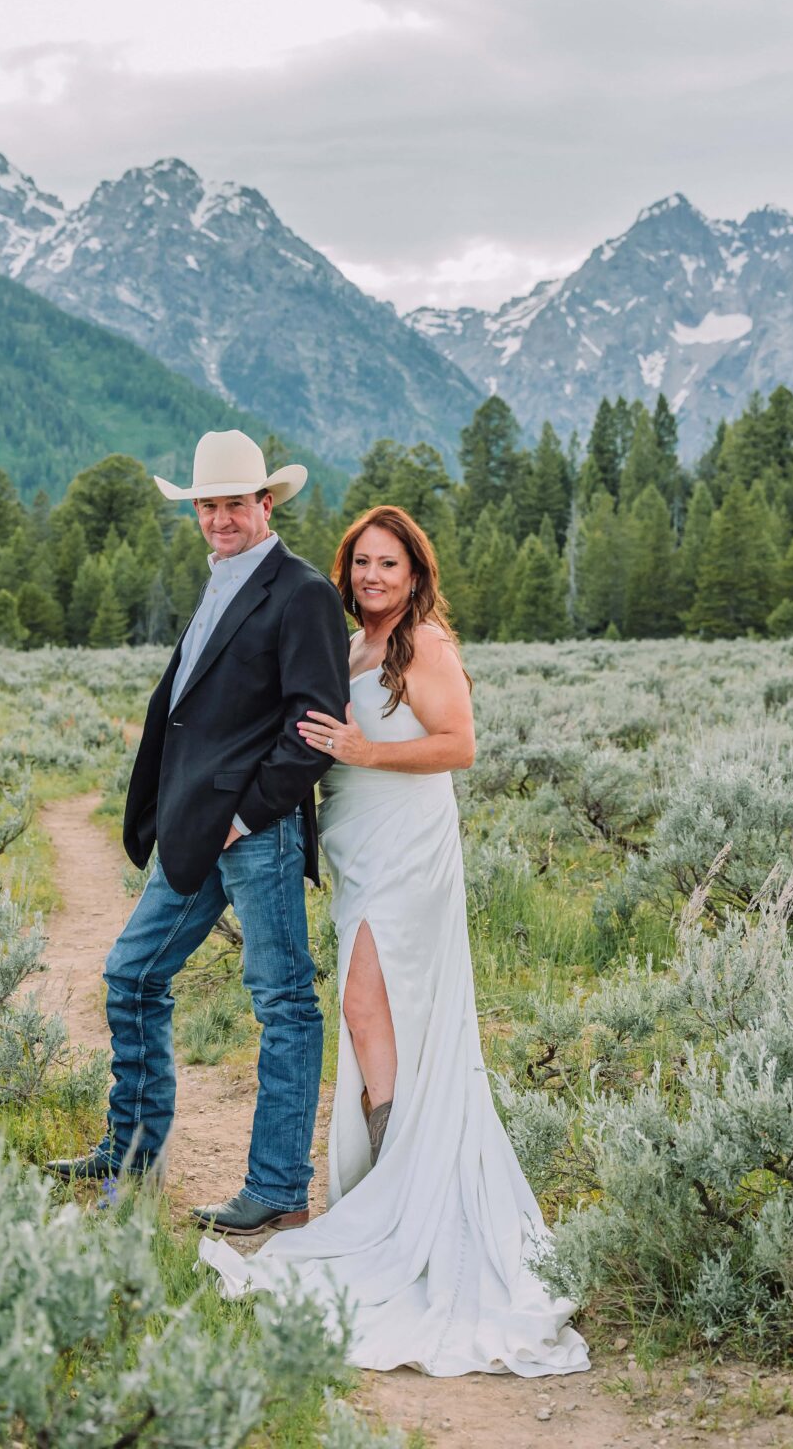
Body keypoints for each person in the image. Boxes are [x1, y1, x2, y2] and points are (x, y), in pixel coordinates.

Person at [199, 505, 589, 1377]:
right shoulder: (344, 649)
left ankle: (401, 1193)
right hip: (357, 850)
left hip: (408, 849)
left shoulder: (424, 647)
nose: (373, 577)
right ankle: (396, 1184)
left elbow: (460, 745)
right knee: (378, 1018)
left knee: (371, 1004)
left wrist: (365, 752)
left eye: (389, 564)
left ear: (415, 574)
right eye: (362, 564)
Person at [47, 430, 350, 1238]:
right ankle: (132, 1149)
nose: (217, 518)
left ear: (265, 504)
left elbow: (315, 724)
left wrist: (247, 814)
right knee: (130, 975)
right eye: (205, 506)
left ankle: (279, 1189)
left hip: (257, 831)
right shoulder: (224, 580)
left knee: (282, 1001)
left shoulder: (301, 591)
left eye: (231, 504)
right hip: (197, 830)